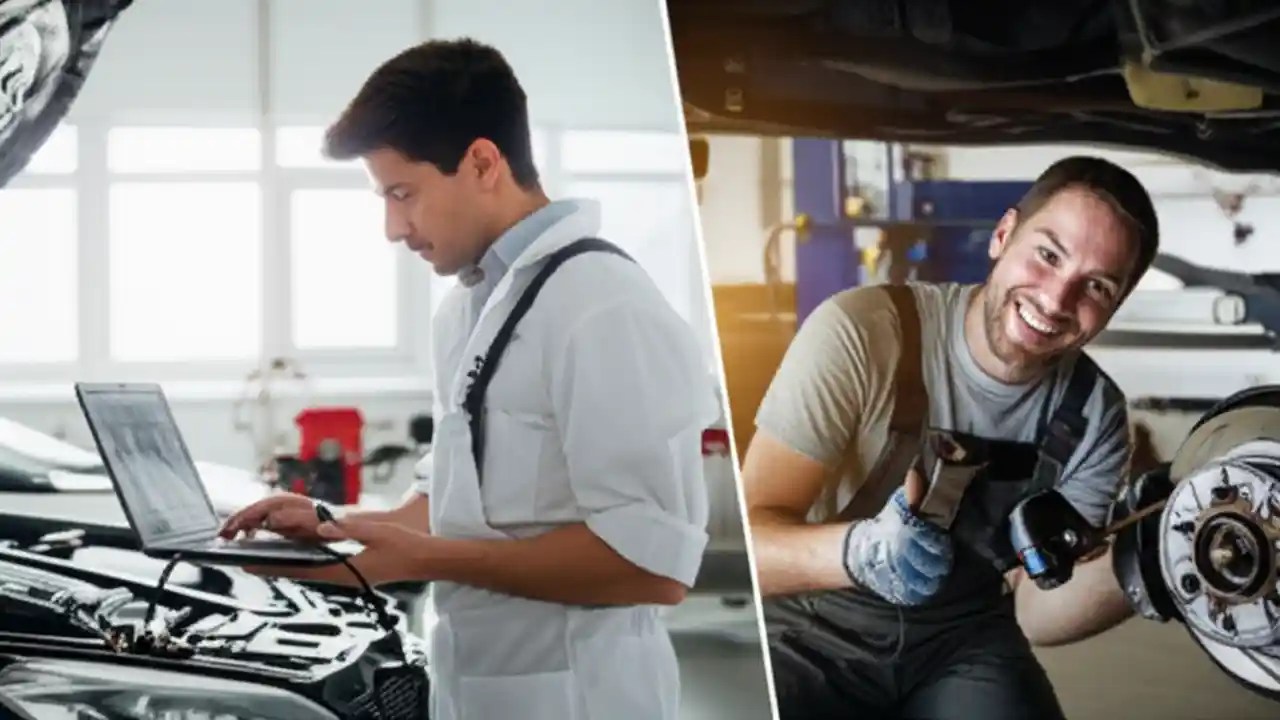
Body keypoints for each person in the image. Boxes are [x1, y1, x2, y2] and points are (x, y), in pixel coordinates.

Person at [219, 38, 719, 720]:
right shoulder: (467, 309)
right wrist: (332, 528)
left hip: (580, 699)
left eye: (403, 194)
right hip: (477, 692)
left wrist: (424, 560)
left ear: (483, 162)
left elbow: (652, 567)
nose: (393, 227)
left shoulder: (604, 304)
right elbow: (451, 508)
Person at [743, 156, 1160, 719]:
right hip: (811, 628)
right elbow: (751, 548)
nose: (1056, 299)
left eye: (1097, 286)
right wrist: (858, 553)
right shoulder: (861, 333)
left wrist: (1145, 568)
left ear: (1116, 306)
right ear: (1003, 235)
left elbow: (1037, 612)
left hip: (962, 642)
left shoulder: (1093, 415)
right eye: (1048, 255)